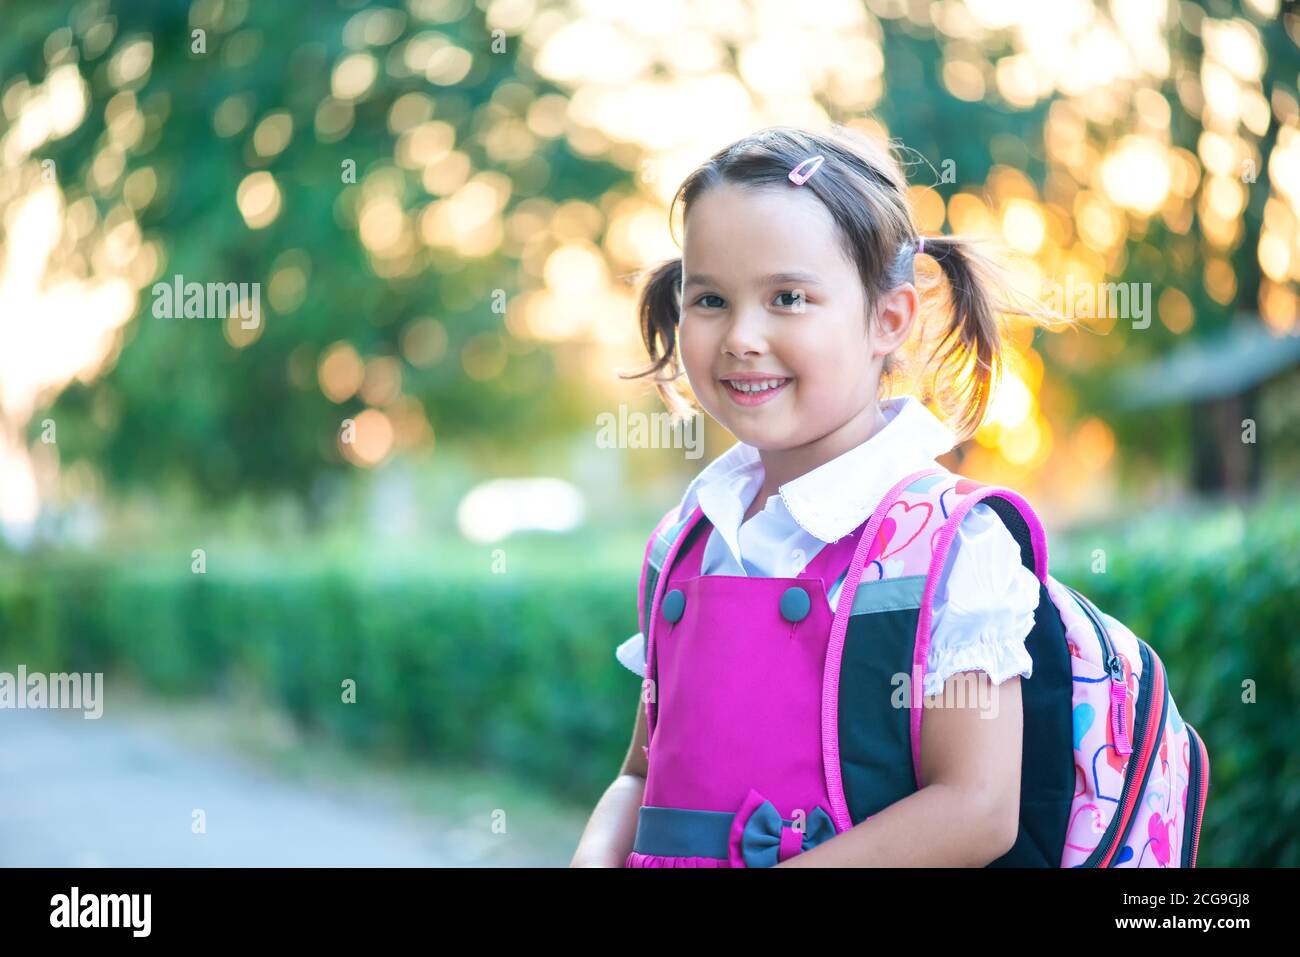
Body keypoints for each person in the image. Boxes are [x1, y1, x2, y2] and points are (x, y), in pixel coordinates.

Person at [571, 125, 1066, 867]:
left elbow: (977, 806)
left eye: (788, 297)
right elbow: (641, 775)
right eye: (709, 298)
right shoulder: (686, 542)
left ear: (888, 317)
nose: (741, 336)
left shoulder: (946, 544)